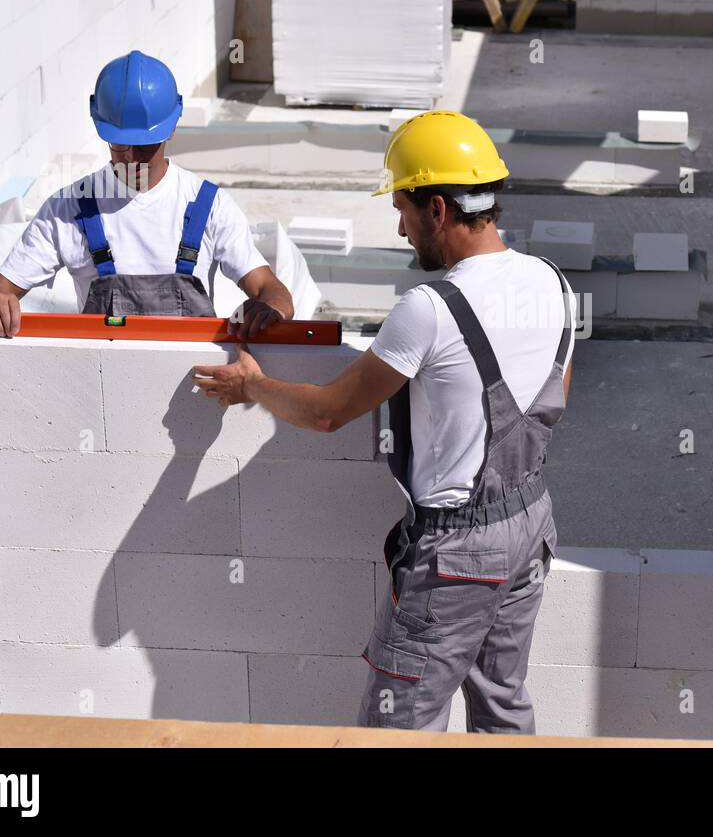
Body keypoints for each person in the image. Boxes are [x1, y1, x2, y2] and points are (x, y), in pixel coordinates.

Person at [192, 110, 576, 733]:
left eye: (401, 207)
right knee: (503, 704)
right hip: (531, 521)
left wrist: (255, 386)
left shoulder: (428, 309)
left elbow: (327, 413)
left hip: (456, 551)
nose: (400, 228)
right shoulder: (555, 283)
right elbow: (555, 396)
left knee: (396, 728)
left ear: (439, 210)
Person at [0, 50, 292, 337]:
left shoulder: (208, 206)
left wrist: (271, 308)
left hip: (194, 387)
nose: (129, 157)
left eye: (143, 146)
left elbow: (270, 289)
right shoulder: (68, 209)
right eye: (119, 143)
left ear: (171, 129)